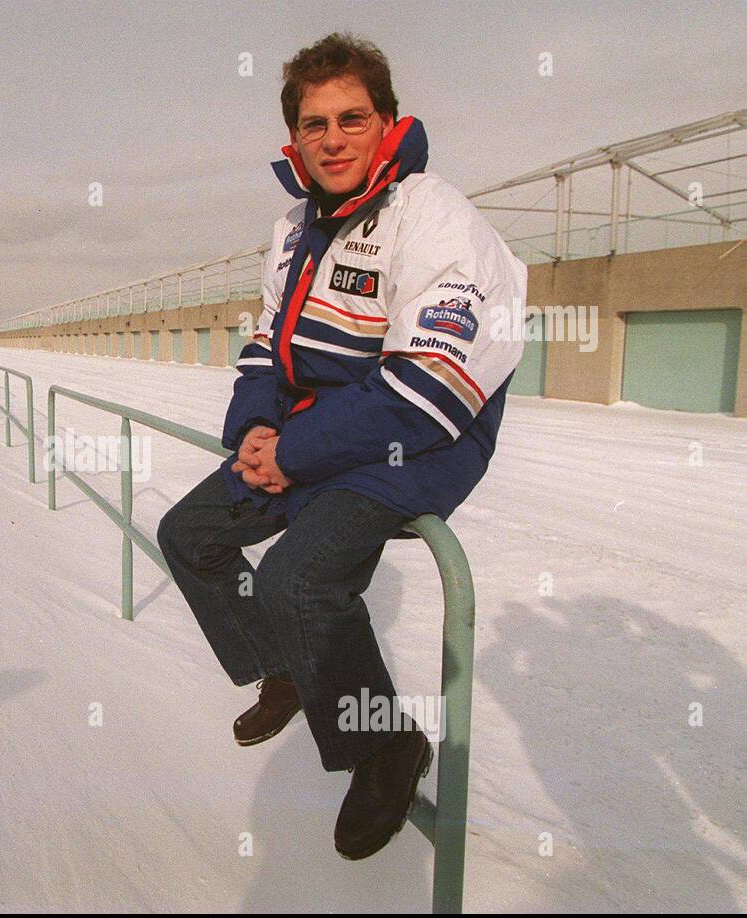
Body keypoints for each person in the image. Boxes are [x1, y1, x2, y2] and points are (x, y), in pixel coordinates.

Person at [157, 33, 526, 861]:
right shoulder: (294, 226)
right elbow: (265, 344)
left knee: (297, 576)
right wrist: (256, 429)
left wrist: (294, 450)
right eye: (314, 124)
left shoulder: (434, 216)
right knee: (191, 535)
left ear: (388, 122)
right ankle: (284, 665)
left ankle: (388, 743)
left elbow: (432, 387)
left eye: (351, 119)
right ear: (294, 140)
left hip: (421, 440)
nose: (332, 139)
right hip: (309, 431)